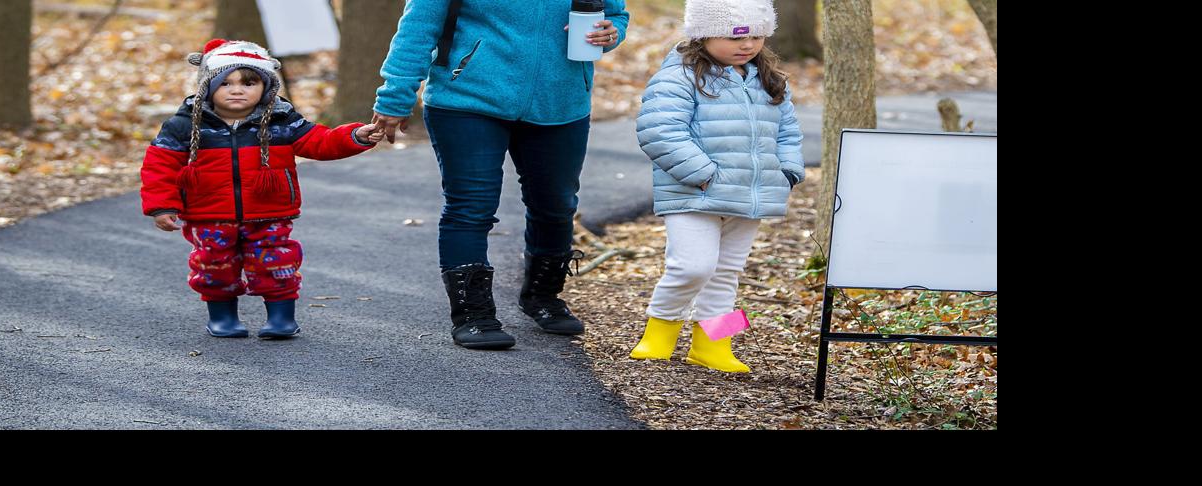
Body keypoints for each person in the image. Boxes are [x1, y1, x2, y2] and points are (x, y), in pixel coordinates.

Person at [370, 0, 630, 350]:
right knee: (471, 206)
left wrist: (611, 32)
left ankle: (543, 296)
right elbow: (419, 26)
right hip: (466, 98)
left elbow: (615, 14)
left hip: (561, 102)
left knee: (556, 205)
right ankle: (473, 314)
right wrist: (395, 95)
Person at [140, 39, 384, 339]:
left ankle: (281, 317)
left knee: (277, 262)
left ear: (266, 86)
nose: (237, 89)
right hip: (208, 214)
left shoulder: (282, 121)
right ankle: (223, 317)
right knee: (214, 266)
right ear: (207, 86)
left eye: (249, 82)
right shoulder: (185, 125)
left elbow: (320, 141)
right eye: (225, 83)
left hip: (269, 212)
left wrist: (355, 136)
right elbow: (159, 166)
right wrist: (162, 205)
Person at [630, 0, 804, 372]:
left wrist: (787, 169)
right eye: (734, 37)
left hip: (751, 194)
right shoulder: (679, 76)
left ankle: (714, 345)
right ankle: (658, 333)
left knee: (728, 272)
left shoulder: (768, 79)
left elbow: (788, 131)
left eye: (757, 35)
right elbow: (660, 132)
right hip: (696, 193)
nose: (748, 45)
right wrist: (704, 173)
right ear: (702, 35)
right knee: (691, 267)